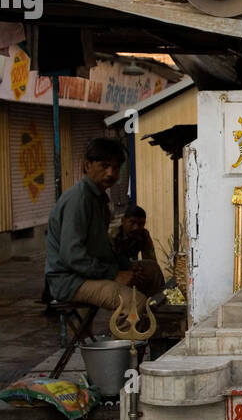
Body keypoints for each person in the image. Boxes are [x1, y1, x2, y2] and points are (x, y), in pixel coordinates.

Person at [45, 139, 164, 326]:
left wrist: (126, 267)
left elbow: (103, 248)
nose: (111, 173)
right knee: (136, 304)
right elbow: (72, 256)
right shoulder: (79, 199)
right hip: (70, 280)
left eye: (116, 168)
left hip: (90, 273)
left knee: (151, 271)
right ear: (87, 165)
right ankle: (119, 351)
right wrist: (114, 274)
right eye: (104, 166)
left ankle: (150, 333)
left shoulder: (99, 198)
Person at [110, 206, 165, 288]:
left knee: (152, 268)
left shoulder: (143, 235)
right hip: (109, 268)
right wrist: (128, 268)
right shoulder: (112, 234)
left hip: (127, 265)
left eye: (141, 224)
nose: (136, 227)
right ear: (123, 221)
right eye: (132, 222)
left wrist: (140, 271)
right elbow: (108, 260)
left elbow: (150, 259)